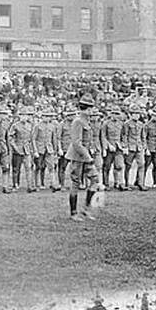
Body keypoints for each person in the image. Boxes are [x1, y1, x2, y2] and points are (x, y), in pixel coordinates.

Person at [65, 93, 99, 221]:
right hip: (77, 157)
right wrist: (87, 156)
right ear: (87, 108)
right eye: (91, 108)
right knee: (75, 183)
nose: (93, 110)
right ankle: (73, 213)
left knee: (95, 180)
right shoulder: (78, 121)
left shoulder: (86, 121)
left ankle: (85, 210)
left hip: (86, 157)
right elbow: (76, 143)